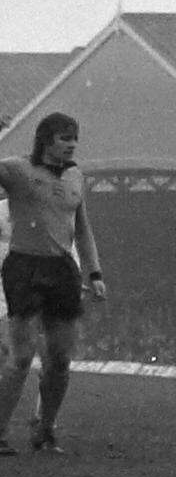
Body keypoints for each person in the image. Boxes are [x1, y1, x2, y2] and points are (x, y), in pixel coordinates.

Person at [0, 113, 106, 454]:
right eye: (64, 138)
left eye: (74, 138)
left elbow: (83, 228)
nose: (72, 144)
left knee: (60, 359)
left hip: (62, 270)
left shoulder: (76, 176)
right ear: (46, 140)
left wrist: (95, 273)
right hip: (24, 267)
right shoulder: (18, 170)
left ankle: (44, 430)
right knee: (21, 357)